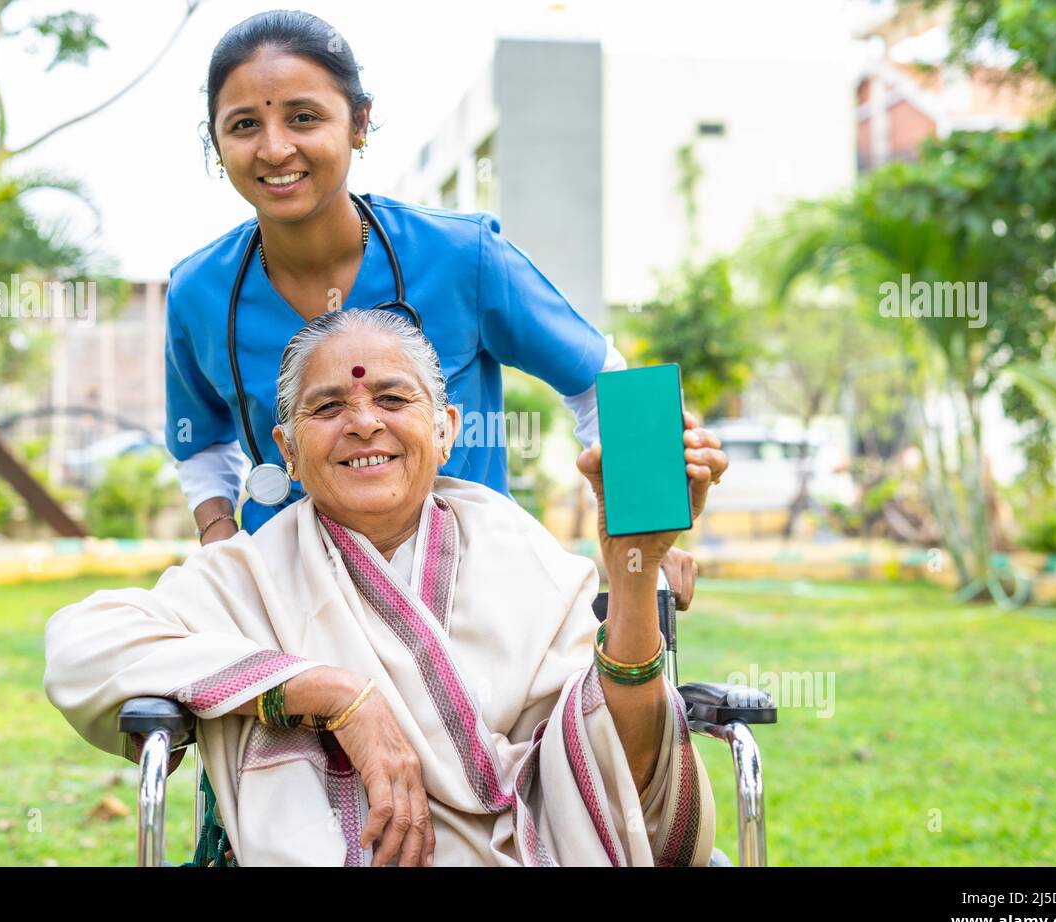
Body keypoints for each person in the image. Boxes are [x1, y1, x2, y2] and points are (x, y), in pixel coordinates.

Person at [46, 308, 728, 866]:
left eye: (393, 397)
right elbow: (79, 649)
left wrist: (632, 571)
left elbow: (627, 780)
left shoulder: (529, 559)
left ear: (446, 430)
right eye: (329, 406)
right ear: (287, 448)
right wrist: (332, 694)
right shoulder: (248, 576)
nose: (365, 422)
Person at [166, 9, 700, 607]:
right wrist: (219, 538)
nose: (275, 147)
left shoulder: (461, 257)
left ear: (359, 124)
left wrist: (644, 536)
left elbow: (611, 379)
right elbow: (201, 442)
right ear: (217, 143)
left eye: (304, 117)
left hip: (475, 598)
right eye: (243, 125)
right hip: (295, 603)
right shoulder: (197, 292)